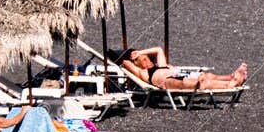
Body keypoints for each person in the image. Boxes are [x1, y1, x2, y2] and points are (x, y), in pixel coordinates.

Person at [106, 45, 248, 93]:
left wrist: (141, 51)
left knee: (206, 75)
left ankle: (230, 77)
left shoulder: (160, 65)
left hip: (176, 73)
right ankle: (230, 84)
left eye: (148, 57)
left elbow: (158, 49)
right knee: (198, 83)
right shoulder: (141, 72)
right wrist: (133, 56)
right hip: (166, 82)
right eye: (143, 59)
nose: (147, 60)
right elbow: (124, 62)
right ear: (136, 63)